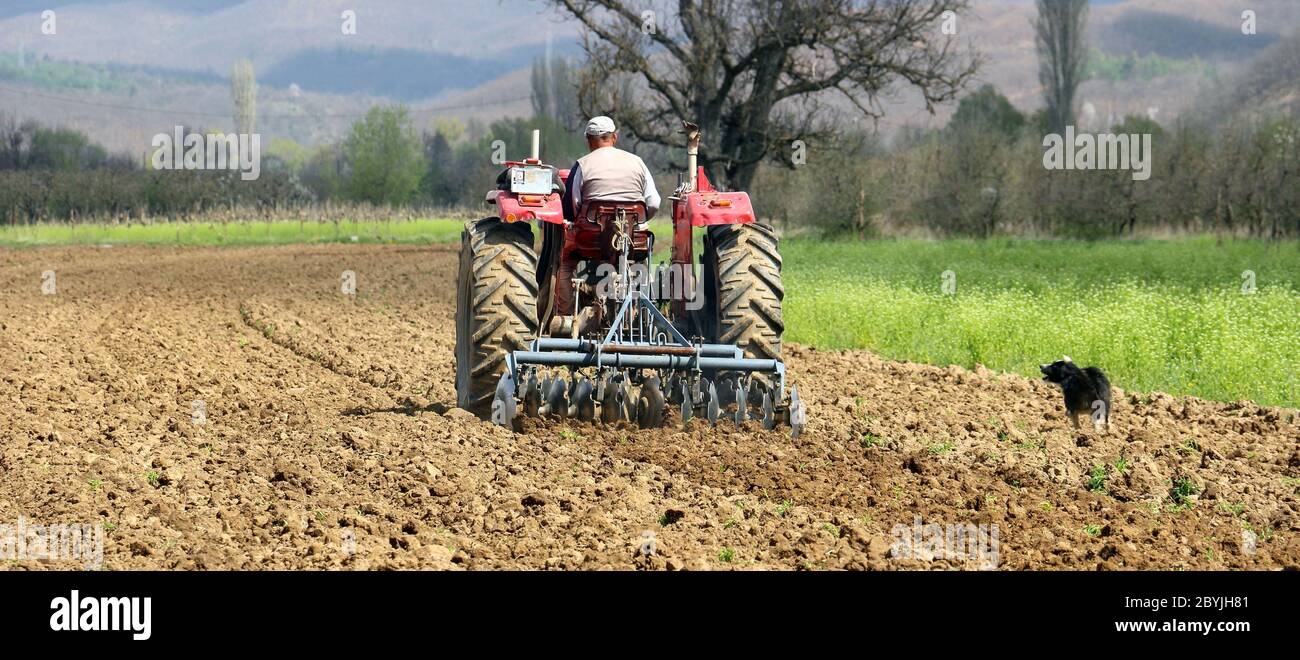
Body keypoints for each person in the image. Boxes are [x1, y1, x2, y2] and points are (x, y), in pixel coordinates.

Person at [550, 117, 660, 321]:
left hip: (589, 241)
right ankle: (638, 311)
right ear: (614, 137)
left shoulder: (582, 165)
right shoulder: (638, 163)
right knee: (638, 260)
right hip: (632, 240)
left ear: (589, 140)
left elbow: (572, 207)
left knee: (563, 261)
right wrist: (638, 223)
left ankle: (565, 316)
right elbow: (653, 202)